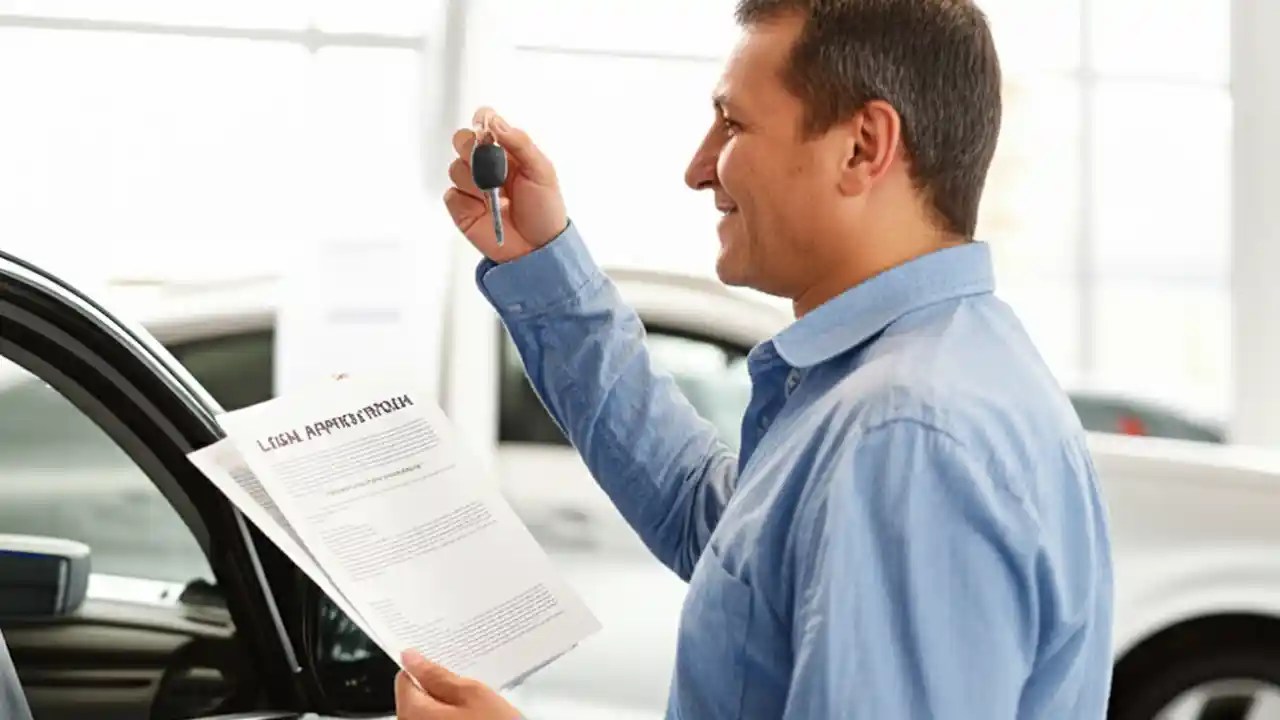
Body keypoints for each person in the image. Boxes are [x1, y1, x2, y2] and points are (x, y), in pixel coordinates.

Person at [398, 0, 1114, 717]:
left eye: (733, 124)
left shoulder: (903, 438)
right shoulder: (936, 372)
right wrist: (542, 263)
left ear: (863, 147)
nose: (698, 169)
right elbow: (715, 524)